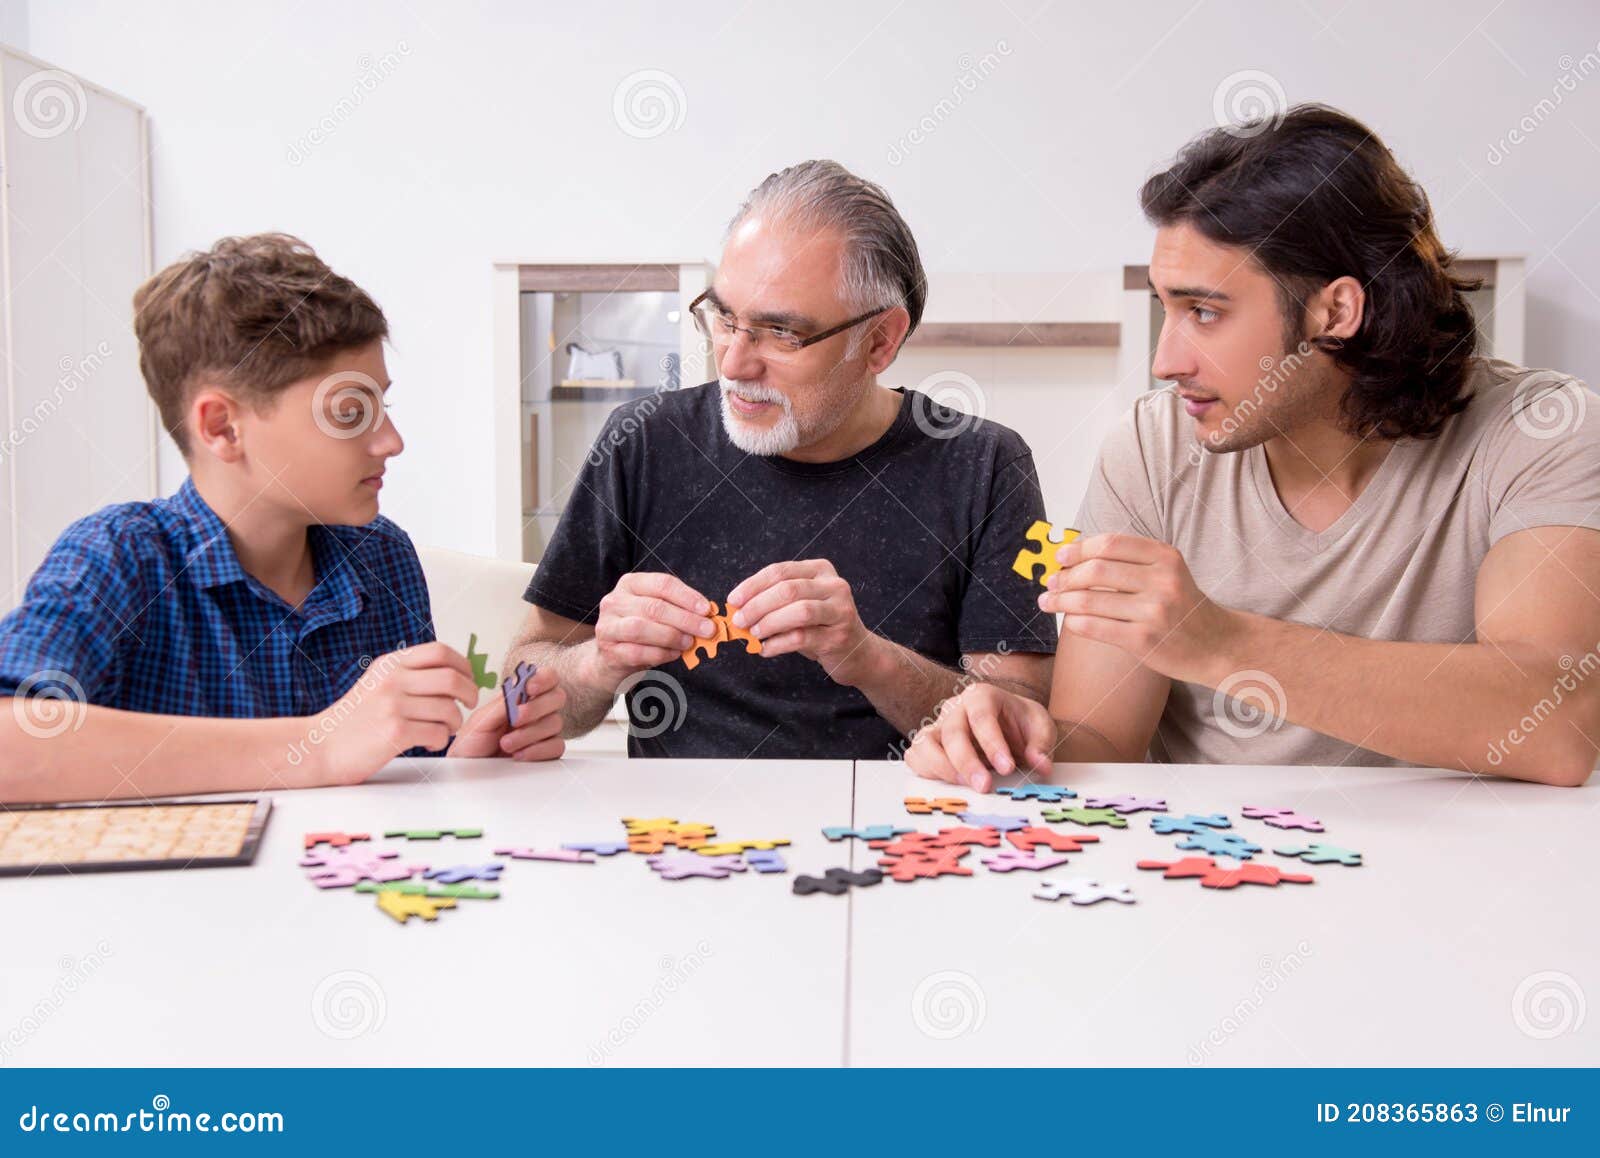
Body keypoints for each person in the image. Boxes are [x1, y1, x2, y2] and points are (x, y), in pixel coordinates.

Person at [909, 105, 1600, 790]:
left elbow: (1558, 728)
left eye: (1205, 313)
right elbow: (1103, 745)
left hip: (1463, 852)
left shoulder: (1538, 433)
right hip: (1213, 851)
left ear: (1335, 312)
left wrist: (1220, 643)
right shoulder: (1151, 449)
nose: (1165, 361)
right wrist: (1015, 737)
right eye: (1165, 309)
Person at [0, 234, 561, 804]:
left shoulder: (381, 554)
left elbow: (391, 779)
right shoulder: (120, 555)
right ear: (221, 428)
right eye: (350, 413)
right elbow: (9, 743)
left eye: (383, 406)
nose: (392, 441)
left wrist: (461, 760)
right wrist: (320, 745)